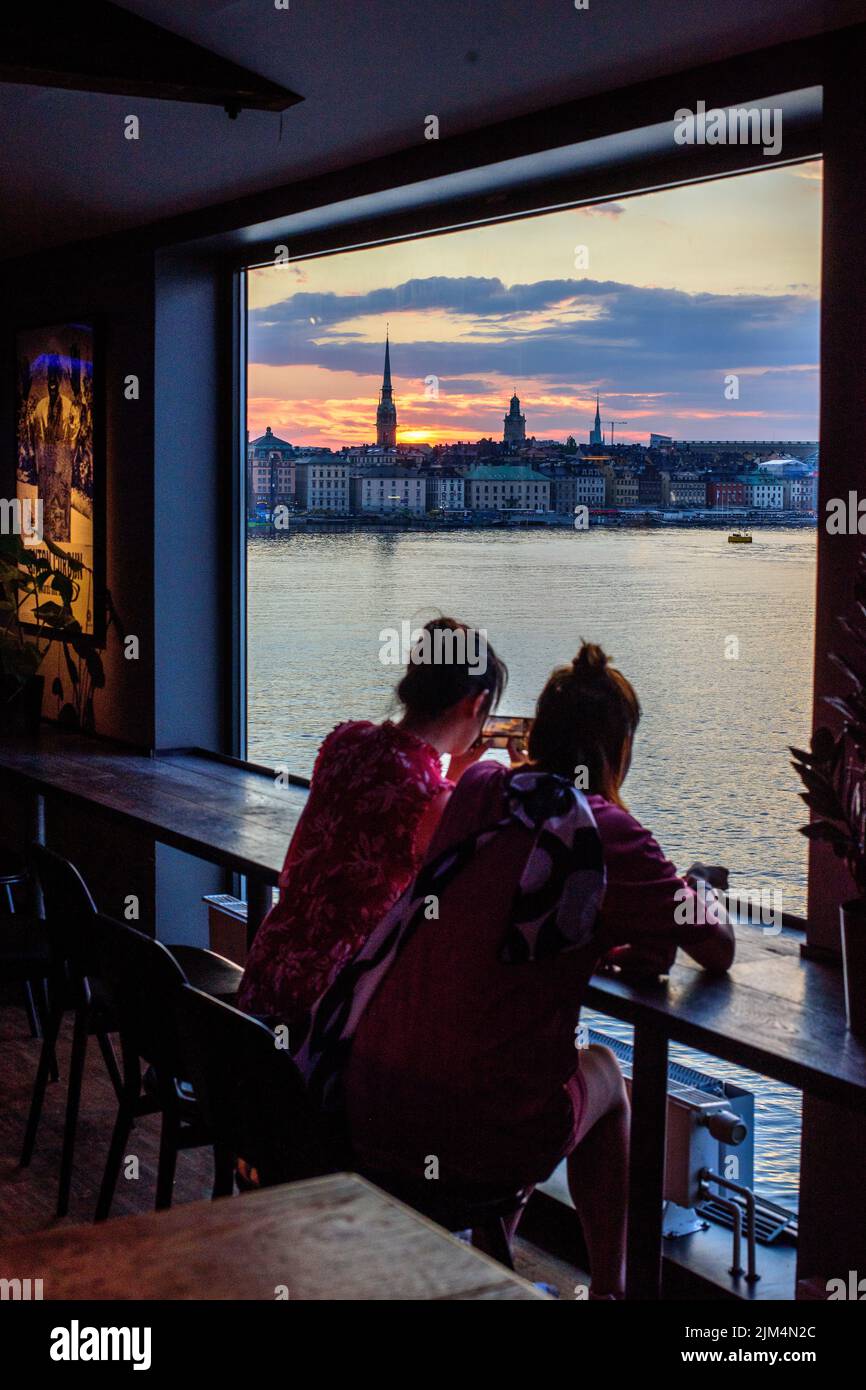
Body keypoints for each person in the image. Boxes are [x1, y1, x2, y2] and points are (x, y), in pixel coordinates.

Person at [311, 641, 733, 1299]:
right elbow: (717, 949)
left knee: (503, 1065)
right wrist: (696, 893)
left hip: (364, 1100)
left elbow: (490, 903)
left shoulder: (478, 790)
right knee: (600, 1078)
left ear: (537, 730)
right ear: (619, 749)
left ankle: (481, 1264)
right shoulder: (610, 833)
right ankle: (611, 1292)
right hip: (474, 1140)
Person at [237, 617, 507, 1027]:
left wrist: (452, 776)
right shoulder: (433, 798)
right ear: (476, 703)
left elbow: (382, 819)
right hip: (329, 1012)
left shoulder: (346, 741)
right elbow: (470, 899)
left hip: (266, 979)